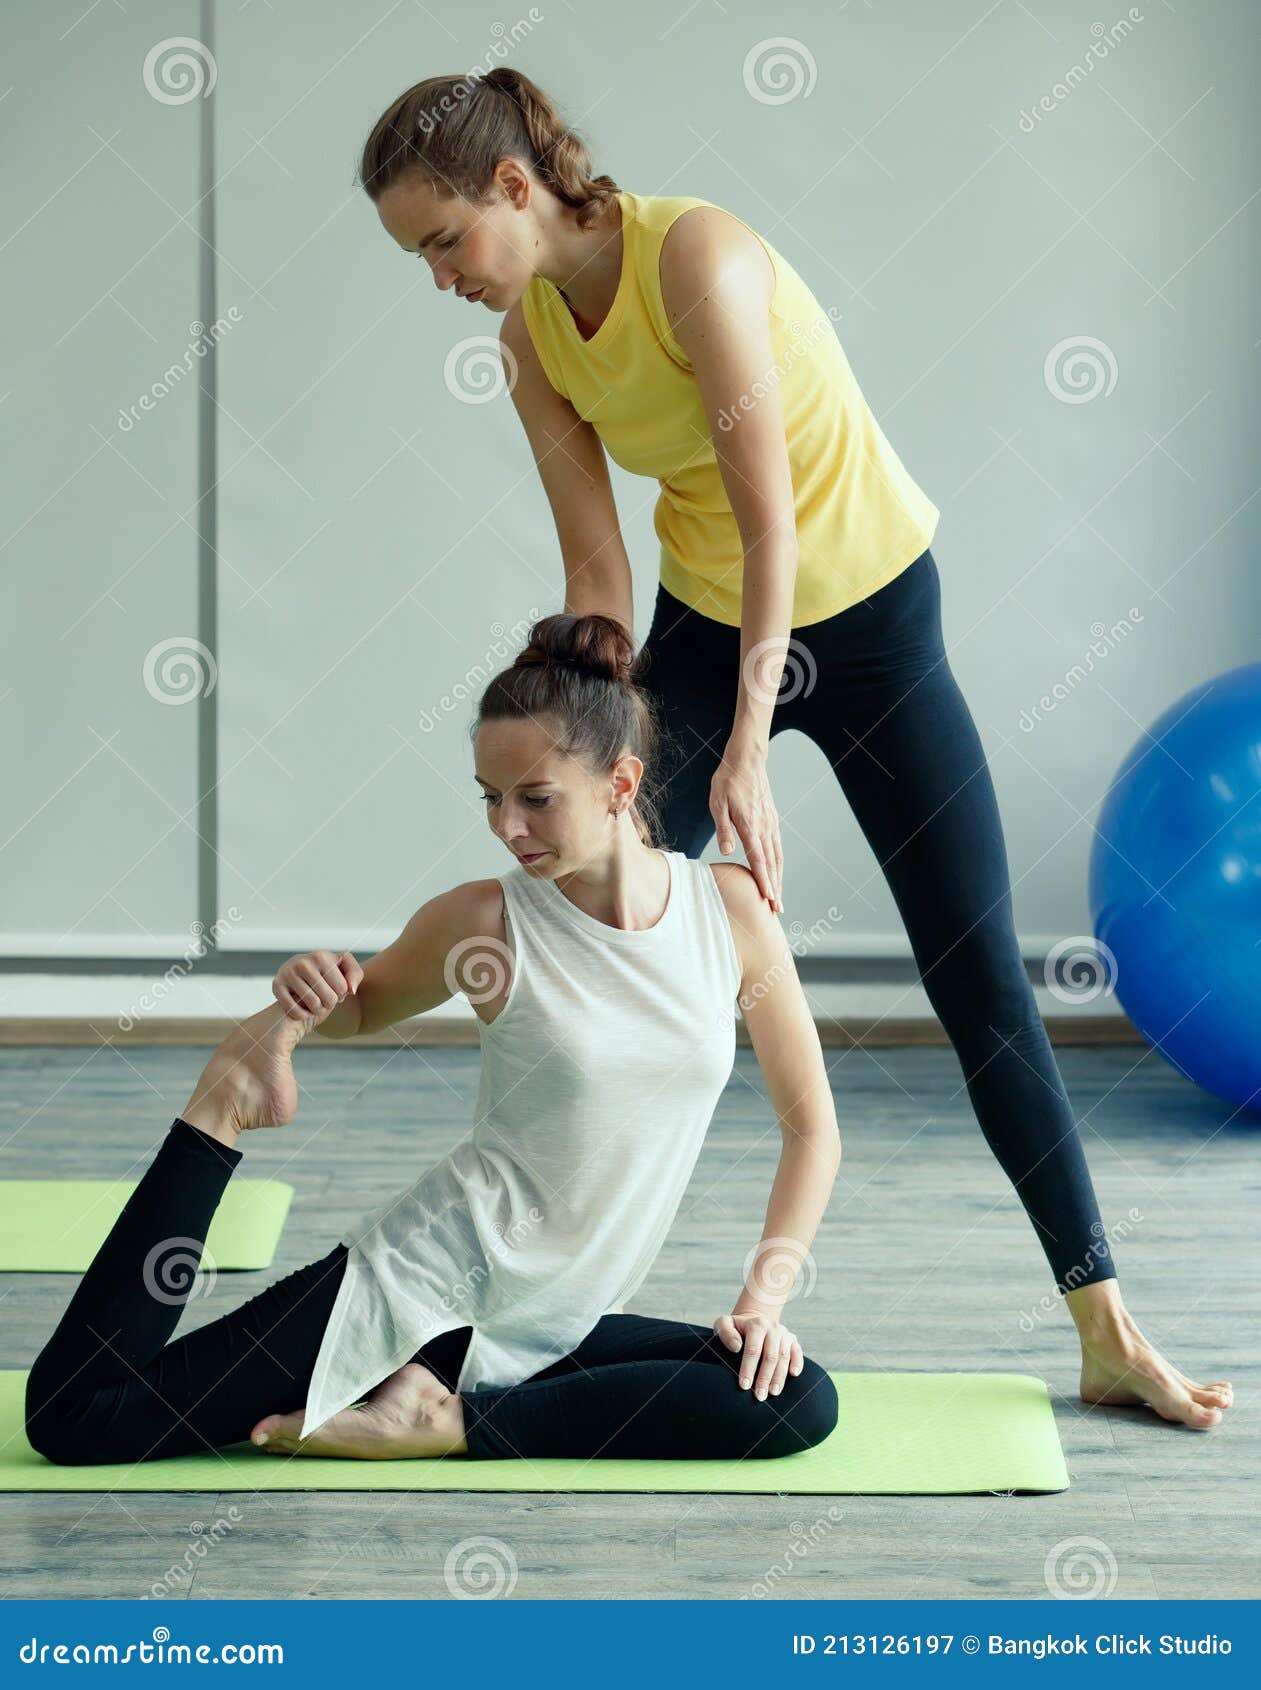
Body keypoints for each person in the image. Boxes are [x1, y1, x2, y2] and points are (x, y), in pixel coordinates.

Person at [353, 67, 1234, 1430]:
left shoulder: (694, 256)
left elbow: (777, 525)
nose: (438, 275)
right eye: (418, 253)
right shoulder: (531, 337)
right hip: (704, 624)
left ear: (514, 188)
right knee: (599, 920)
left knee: (975, 972)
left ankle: (1104, 1322)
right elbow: (597, 565)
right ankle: (504, 1304)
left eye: (444, 239)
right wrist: (599, 738)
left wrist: (745, 748)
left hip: (871, 619)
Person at [25, 614, 842, 1466]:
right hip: (422, 1287)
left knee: (793, 1396)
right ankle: (218, 1105)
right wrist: (312, 992)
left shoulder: (730, 913)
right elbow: (361, 1007)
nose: (507, 828)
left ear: (621, 785)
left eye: (534, 799)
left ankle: (444, 1423)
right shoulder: (485, 921)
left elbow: (811, 1128)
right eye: (490, 798)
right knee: (83, 1418)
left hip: (554, 1316)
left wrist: (762, 1304)